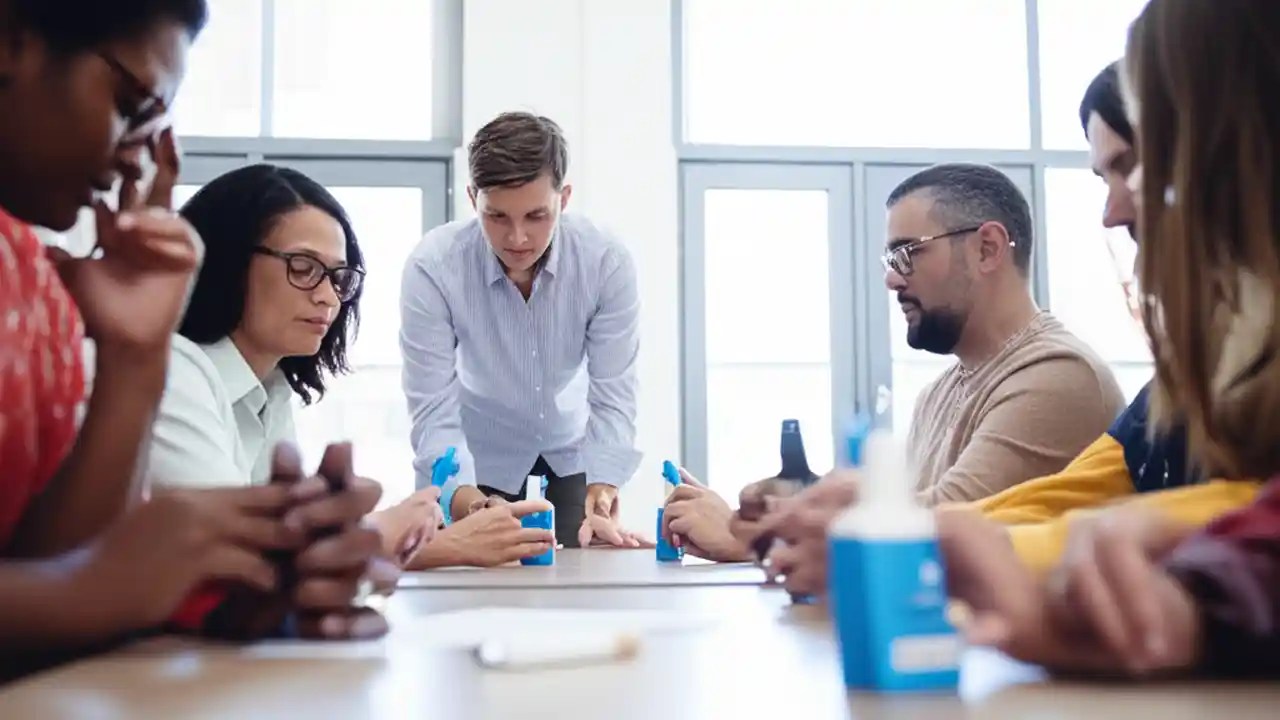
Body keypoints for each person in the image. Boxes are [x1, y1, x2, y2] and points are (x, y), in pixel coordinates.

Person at [0, 0, 388, 673]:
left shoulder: (35, 281)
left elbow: (45, 589)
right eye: (128, 104)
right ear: (11, 40)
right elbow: (77, 584)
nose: (136, 158)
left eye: (154, 125)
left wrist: (134, 357)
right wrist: (99, 586)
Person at [945, 0, 1280, 677]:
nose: (1117, 206)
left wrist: (905, 549)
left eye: (1141, 160)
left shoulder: (1055, 369)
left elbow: (1222, 515)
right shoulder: (1203, 370)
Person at [153, 162, 553, 569]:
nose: (329, 297)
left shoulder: (269, 393)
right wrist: (430, 543)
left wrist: (409, 526)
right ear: (228, 262)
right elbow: (237, 552)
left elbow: (286, 538)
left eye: (339, 278)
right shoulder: (173, 375)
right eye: (304, 269)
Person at [401, 111, 646, 549]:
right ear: (473, 197)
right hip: (474, 464)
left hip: (570, 460)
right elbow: (433, 407)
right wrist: (470, 503)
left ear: (563, 198)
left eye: (537, 215)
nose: (517, 238)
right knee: (466, 599)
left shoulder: (605, 261)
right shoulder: (433, 267)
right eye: (496, 216)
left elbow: (613, 390)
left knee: (579, 586)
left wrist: (604, 483)